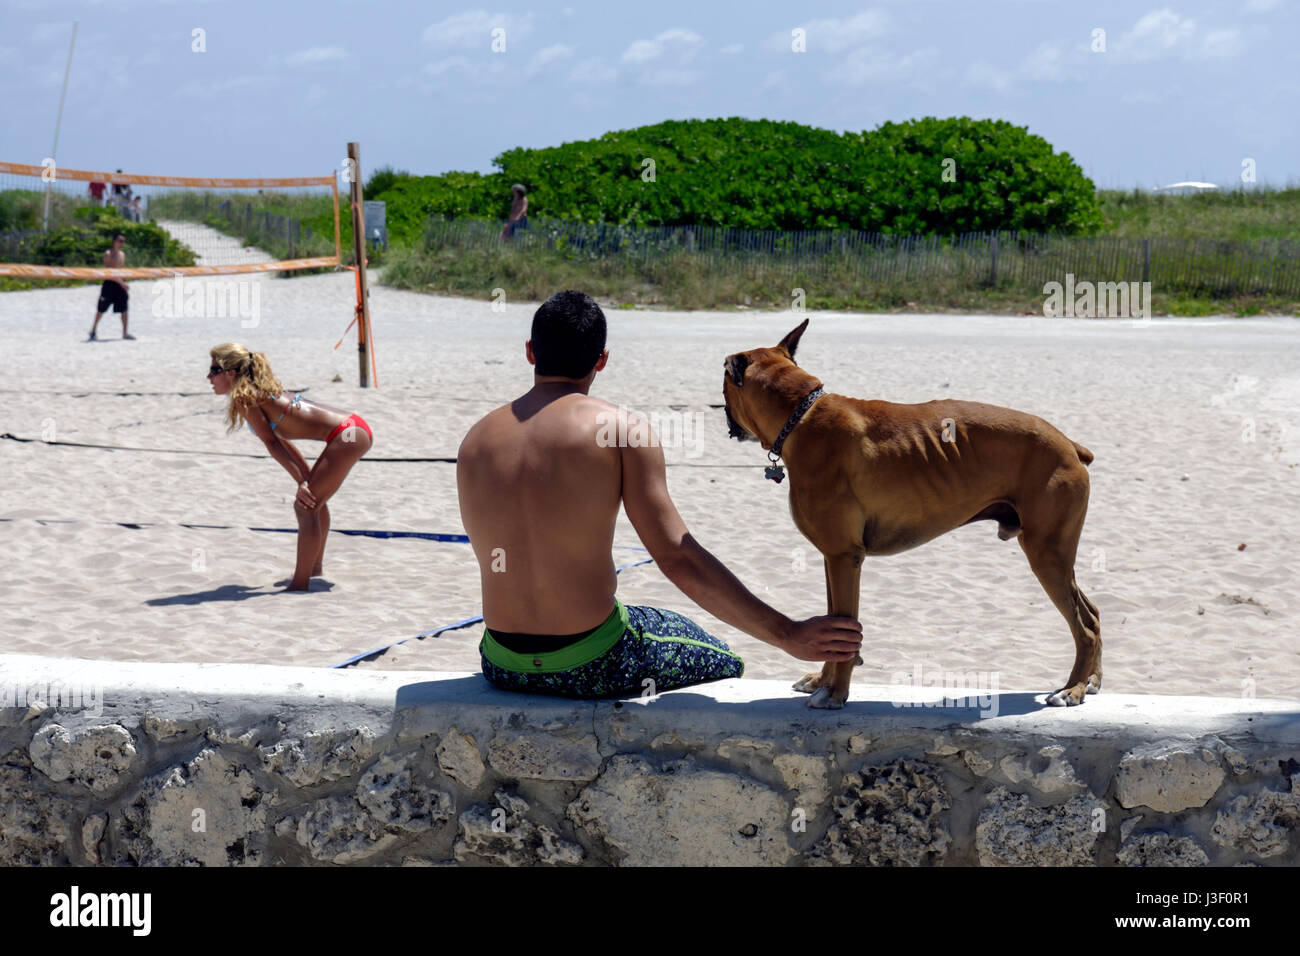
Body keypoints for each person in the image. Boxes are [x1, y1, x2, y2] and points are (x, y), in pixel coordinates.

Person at [456, 290, 862, 699]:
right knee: (723, 658)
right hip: (593, 662)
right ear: (602, 359)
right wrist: (789, 635)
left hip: (501, 662)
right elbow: (677, 558)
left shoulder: (477, 438)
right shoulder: (618, 430)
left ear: (530, 352)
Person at [207, 343, 374, 591]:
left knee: (305, 505)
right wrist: (303, 478)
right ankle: (313, 569)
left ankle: (300, 582)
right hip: (353, 429)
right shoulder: (254, 393)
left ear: (231, 373)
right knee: (313, 502)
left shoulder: (246, 397)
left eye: (213, 371)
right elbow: (281, 441)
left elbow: (273, 443)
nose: (208, 377)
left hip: (348, 435)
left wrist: (302, 482)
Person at [88, 233, 132, 341]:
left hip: (120, 284)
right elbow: (110, 272)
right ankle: (93, 330)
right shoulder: (108, 254)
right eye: (120, 241)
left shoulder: (122, 254)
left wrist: (124, 282)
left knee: (124, 309)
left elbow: (121, 270)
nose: (122, 243)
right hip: (110, 284)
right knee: (101, 309)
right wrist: (122, 283)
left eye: (123, 241)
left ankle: (125, 333)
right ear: (114, 242)